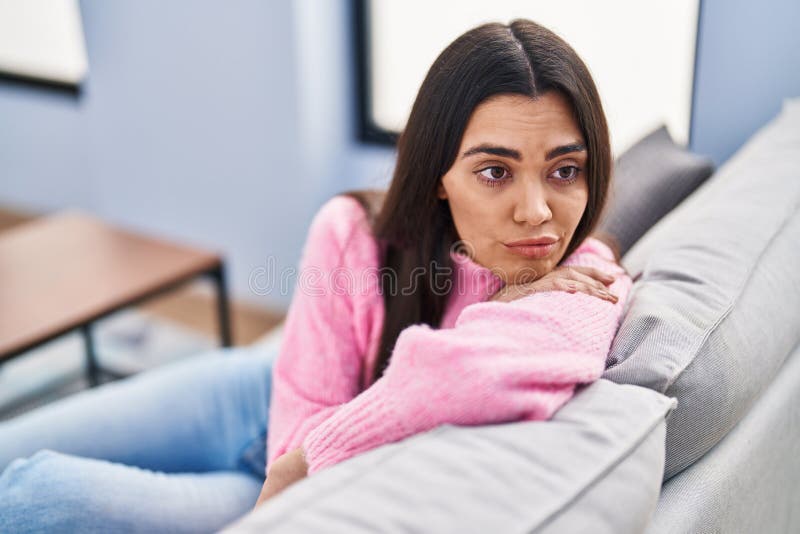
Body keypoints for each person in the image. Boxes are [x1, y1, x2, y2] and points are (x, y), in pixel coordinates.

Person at [0, 18, 631, 532]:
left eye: (563, 170)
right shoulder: (355, 230)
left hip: (302, 475)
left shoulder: (585, 279)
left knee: (35, 494)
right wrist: (301, 456)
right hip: (259, 403)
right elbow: (296, 436)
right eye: (495, 171)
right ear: (439, 175)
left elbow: (452, 374)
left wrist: (306, 462)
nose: (537, 212)